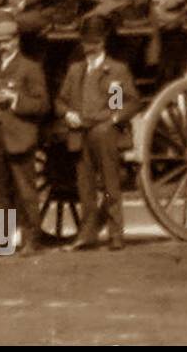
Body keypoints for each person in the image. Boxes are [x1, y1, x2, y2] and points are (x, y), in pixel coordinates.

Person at [56, 16, 140, 251]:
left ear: (102, 44)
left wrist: (115, 119)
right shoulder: (76, 71)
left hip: (104, 132)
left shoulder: (115, 70)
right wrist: (67, 114)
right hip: (79, 132)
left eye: (93, 44)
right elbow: (61, 101)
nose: (89, 49)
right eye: (86, 44)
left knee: (110, 184)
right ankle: (88, 234)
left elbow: (129, 102)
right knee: (85, 187)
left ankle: (116, 234)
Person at [0, 21, 48, 255]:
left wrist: (15, 100)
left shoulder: (30, 68)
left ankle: (31, 240)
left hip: (20, 133)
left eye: (6, 42)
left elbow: (42, 104)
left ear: (16, 41)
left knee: (25, 190)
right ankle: (4, 242)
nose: (2, 46)